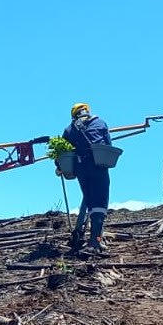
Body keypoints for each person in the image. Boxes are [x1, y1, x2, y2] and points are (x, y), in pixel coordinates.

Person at [61, 103, 113, 253]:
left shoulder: (69, 130)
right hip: (99, 166)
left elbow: (63, 152)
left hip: (81, 170)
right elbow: (108, 145)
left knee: (90, 201)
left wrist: (59, 167)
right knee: (100, 203)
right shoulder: (100, 123)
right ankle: (96, 241)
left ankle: (92, 239)